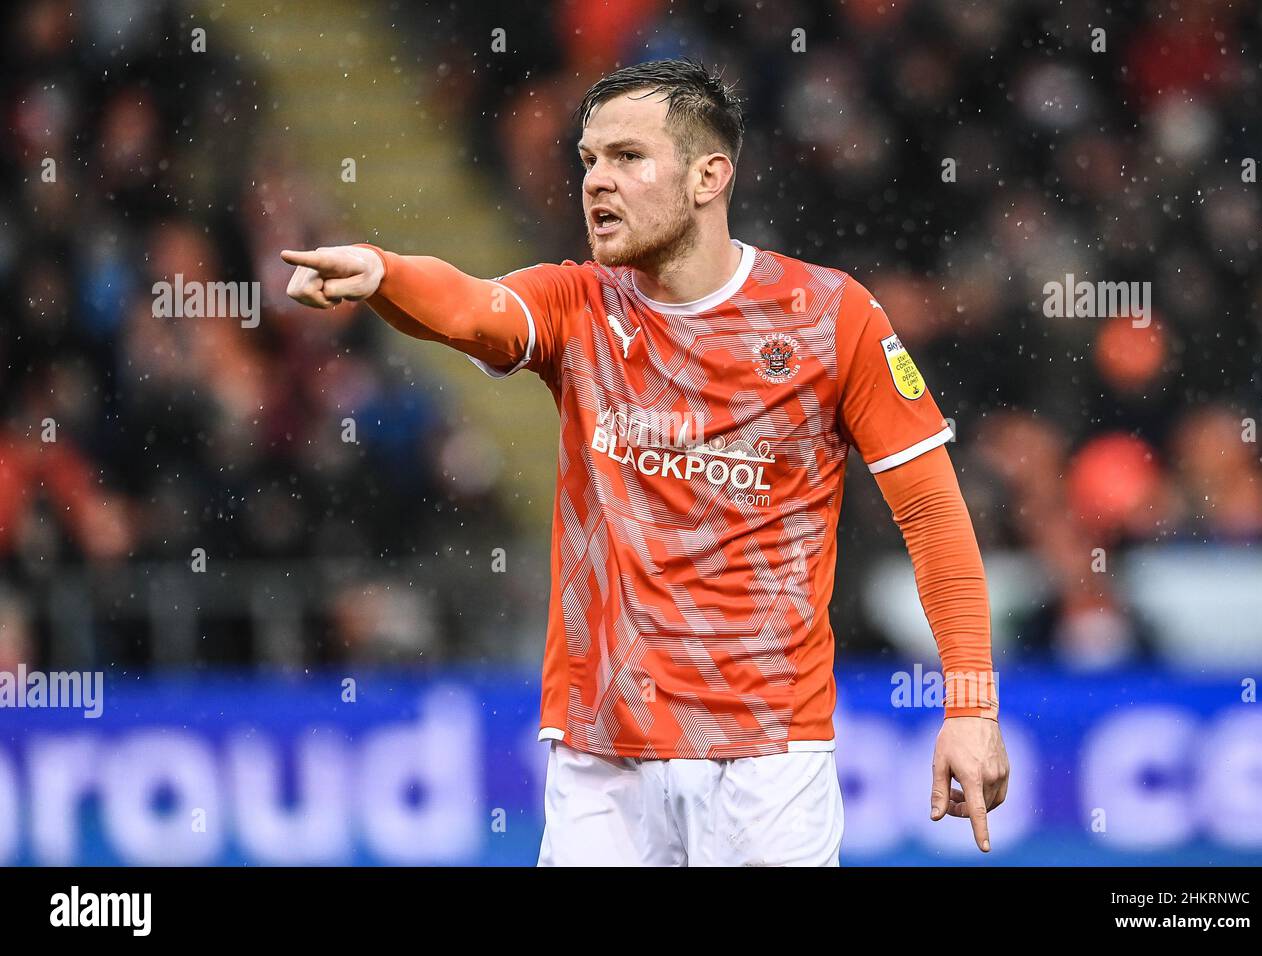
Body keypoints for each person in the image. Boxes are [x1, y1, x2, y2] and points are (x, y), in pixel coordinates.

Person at [283, 58, 1008, 866]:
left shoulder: (832, 318)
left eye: (628, 157)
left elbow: (934, 515)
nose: (597, 180)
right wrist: (386, 273)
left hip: (768, 760)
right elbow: (473, 307)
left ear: (709, 176)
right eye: (588, 159)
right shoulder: (578, 305)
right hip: (602, 759)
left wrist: (970, 705)